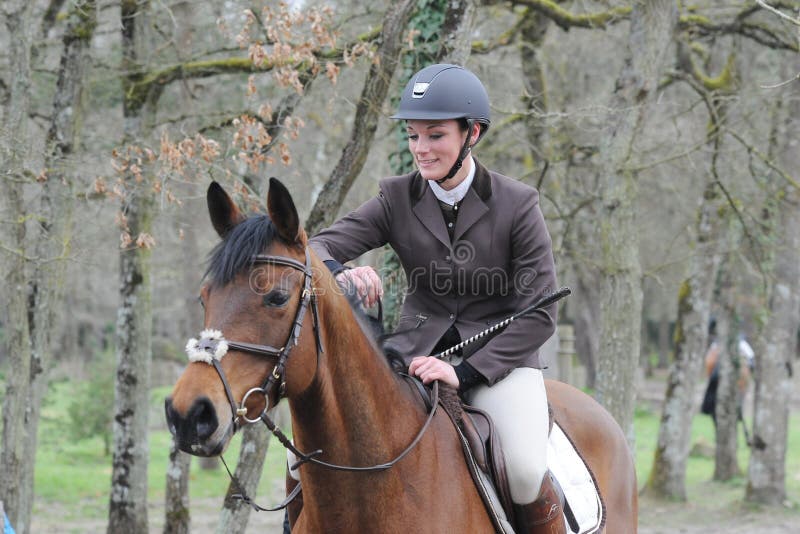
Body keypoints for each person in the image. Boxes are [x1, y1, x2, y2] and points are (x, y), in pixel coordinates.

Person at [307, 64, 563, 533]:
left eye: (436, 135)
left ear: (474, 133)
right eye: (413, 136)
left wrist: (464, 371)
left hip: (499, 363)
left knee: (526, 471)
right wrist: (344, 272)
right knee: (310, 458)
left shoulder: (518, 204)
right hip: (412, 354)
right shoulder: (394, 198)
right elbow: (315, 248)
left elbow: (541, 313)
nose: (421, 150)